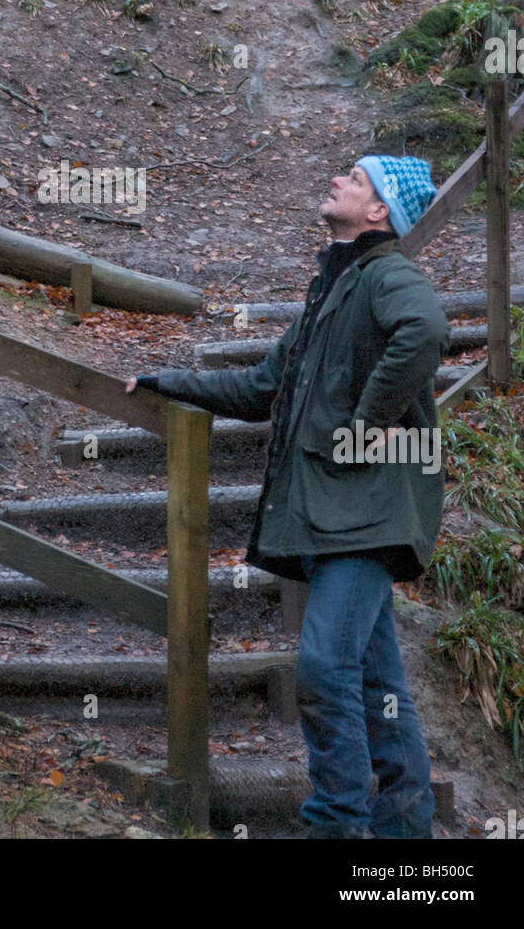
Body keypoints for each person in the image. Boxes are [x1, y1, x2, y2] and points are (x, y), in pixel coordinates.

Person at [126, 155, 449, 839]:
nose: (336, 180)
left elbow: (425, 332)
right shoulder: (332, 291)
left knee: (324, 669)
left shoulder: (387, 275)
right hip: (343, 516)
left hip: (366, 514)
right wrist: (166, 381)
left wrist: (364, 423)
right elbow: (258, 389)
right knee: (376, 685)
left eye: (354, 179)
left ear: (379, 212)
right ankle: (405, 835)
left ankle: (336, 826)